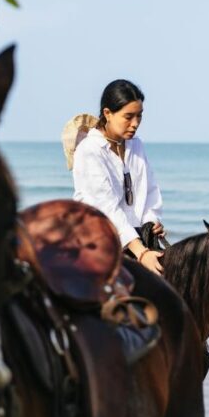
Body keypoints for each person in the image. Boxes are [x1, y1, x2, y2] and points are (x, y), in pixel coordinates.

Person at [73, 79, 165, 274]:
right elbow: (106, 207)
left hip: (138, 241)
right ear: (107, 113)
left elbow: (150, 190)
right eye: (128, 117)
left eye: (139, 116)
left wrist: (151, 221)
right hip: (101, 243)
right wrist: (141, 253)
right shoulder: (90, 150)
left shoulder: (135, 145)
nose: (135, 124)